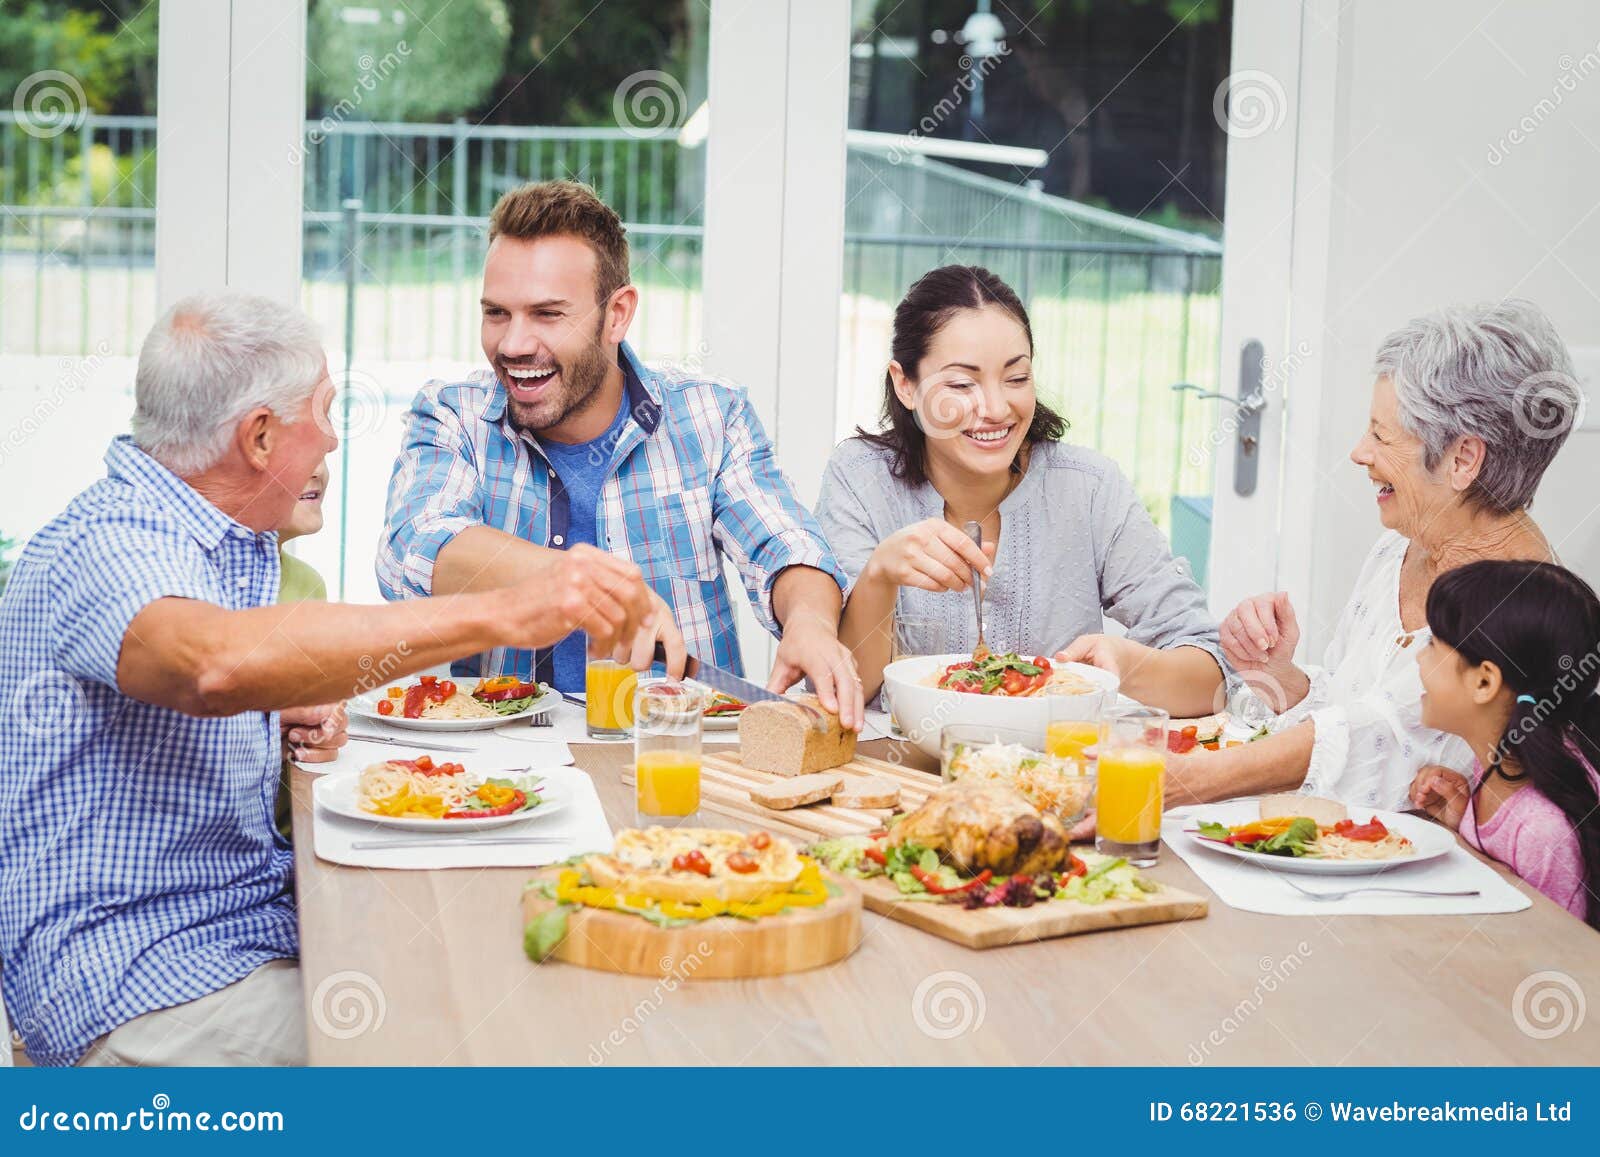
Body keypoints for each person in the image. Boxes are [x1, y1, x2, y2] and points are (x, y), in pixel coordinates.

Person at [0, 291, 655, 1067]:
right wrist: (507, 612)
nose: (335, 440)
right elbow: (212, 662)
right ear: (260, 435)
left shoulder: (202, 540)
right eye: (325, 411)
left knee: (491, 985)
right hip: (141, 980)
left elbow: (212, 676)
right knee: (451, 1054)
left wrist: (264, 717)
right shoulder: (112, 539)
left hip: (227, 935)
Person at [377, 180, 863, 728]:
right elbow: (410, 551)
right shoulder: (453, 417)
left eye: (547, 314)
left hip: (679, 754)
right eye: (496, 313)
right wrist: (582, 584)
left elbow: (787, 545)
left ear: (617, 314)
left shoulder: (711, 417)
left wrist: (811, 622)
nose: (513, 344)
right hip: (501, 769)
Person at [1171, 300, 1583, 811]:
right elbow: (1353, 714)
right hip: (1338, 844)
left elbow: (1377, 737)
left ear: (1462, 459)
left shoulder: (1518, 608)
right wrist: (1284, 676)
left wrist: (1186, 778)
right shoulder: (1401, 545)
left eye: (1381, 434)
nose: (1359, 452)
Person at [815, 264, 1224, 714]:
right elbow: (842, 688)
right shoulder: (860, 477)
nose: (995, 408)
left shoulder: (1088, 489)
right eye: (961, 384)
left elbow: (1210, 678)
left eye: (1016, 378)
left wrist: (1127, 666)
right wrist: (879, 577)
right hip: (898, 774)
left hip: (1053, 776)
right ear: (906, 384)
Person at [1408, 560, 1600, 926]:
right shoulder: (1505, 757)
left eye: (1433, 644)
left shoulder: (1543, 832)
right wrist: (1464, 820)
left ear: (1484, 682)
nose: (1419, 656)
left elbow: (1557, 957)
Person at [274, 458, 342, 841]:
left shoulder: (308, 585)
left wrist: (321, 729)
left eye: (323, 453)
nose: (315, 468)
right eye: (300, 452)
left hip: (290, 839)